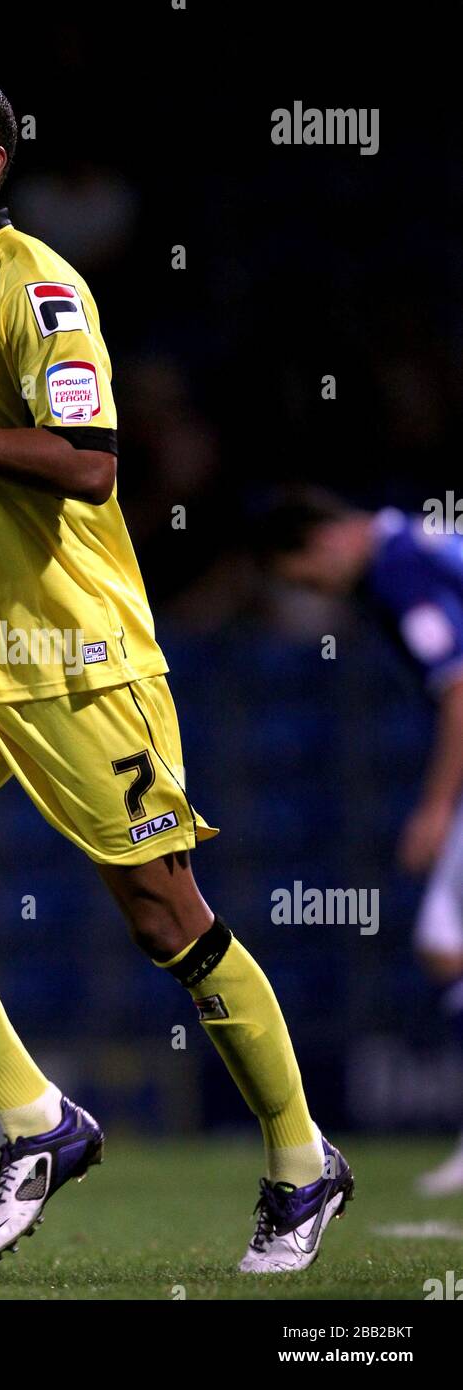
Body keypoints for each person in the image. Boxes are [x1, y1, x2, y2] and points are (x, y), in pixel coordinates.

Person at [0, 66, 353, 1271]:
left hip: (73, 659)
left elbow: (87, 464)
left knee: (166, 916)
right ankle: (36, 1120)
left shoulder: (40, 284)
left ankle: (299, 1157)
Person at [255, 486, 463, 1195]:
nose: (316, 593)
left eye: (305, 578)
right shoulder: (419, 541)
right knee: (446, 942)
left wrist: (435, 808)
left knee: (445, 940)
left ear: (324, 541)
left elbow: (462, 686)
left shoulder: (401, 566)